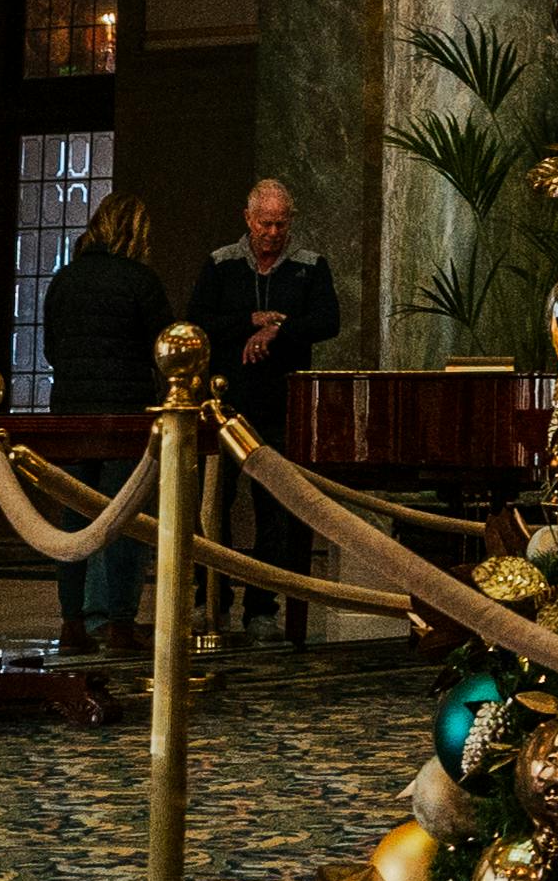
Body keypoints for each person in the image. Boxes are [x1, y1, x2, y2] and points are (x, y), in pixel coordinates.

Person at [194, 176, 340, 637]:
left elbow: (328, 321)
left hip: (282, 406)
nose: (273, 233)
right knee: (211, 505)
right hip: (227, 403)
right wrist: (250, 322)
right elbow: (198, 321)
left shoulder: (310, 266)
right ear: (248, 220)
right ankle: (210, 597)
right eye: (265, 224)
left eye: (280, 224)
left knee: (274, 512)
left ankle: (263, 607)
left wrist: (280, 330)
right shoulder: (221, 264)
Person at [38, 189, 165, 643]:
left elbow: (51, 348)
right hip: (124, 416)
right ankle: (120, 621)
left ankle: (72, 619)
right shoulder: (140, 281)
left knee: (73, 517)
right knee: (124, 517)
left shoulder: (65, 279)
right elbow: (162, 349)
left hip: (71, 412)